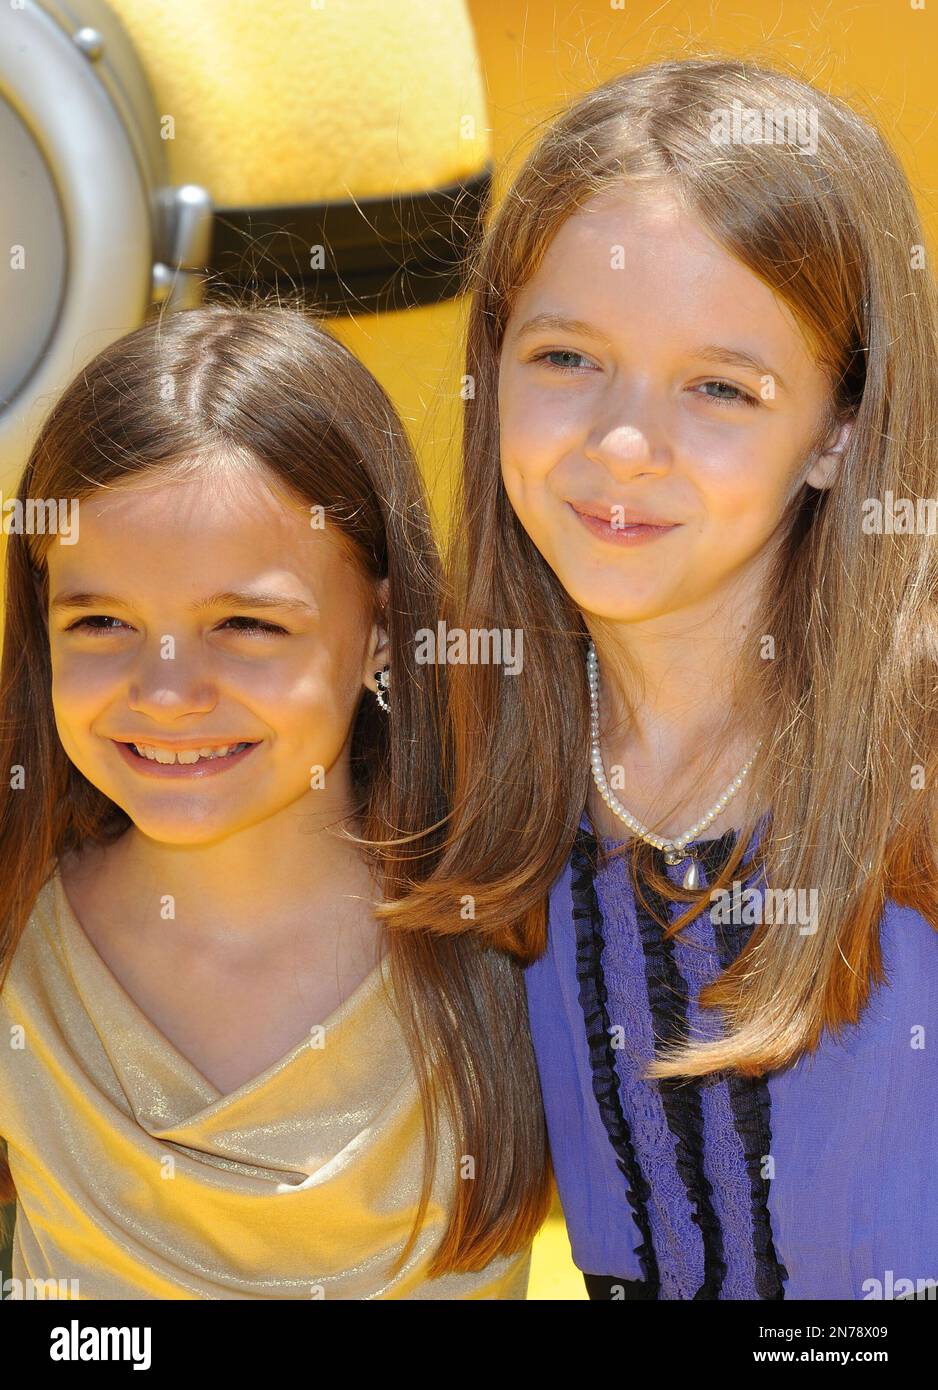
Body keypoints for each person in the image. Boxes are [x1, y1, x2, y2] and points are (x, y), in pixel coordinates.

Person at [400, 56, 938, 1299]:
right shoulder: (466, 755)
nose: (620, 448)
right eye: (564, 360)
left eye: (718, 388)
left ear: (838, 428)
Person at [0, 301, 550, 1300]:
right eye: (102, 621)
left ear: (382, 630)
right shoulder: (13, 936)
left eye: (246, 623)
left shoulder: (517, 933)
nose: (166, 692)